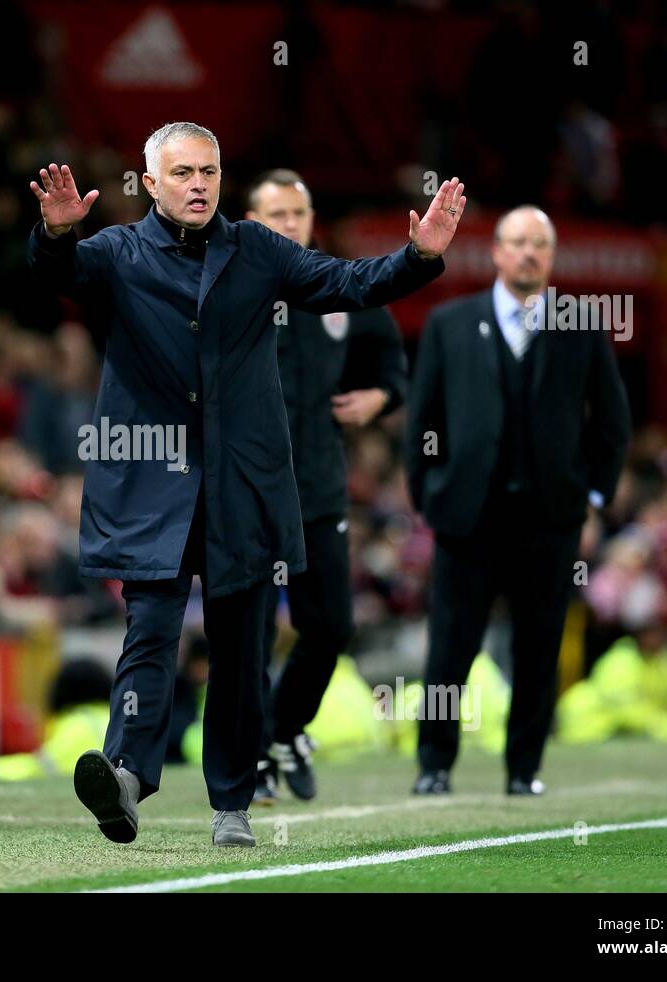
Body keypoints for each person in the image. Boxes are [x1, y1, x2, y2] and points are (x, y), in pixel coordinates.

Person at [27, 121, 464, 845]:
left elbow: (346, 283)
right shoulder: (115, 253)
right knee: (152, 630)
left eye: (209, 171)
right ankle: (127, 774)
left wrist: (418, 257)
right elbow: (54, 280)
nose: (198, 184)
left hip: (243, 484)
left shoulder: (257, 249)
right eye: (183, 173)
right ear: (151, 183)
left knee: (239, 645)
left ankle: (231, 803)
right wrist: (54, 234)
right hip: (151, 480)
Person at [404, 205, 630, 796]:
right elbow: (421, 420)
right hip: (466, 517)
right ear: (497, 252)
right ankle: (434, 764)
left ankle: (523, 769)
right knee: (451, 647)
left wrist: (594, 494)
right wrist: (426, 496)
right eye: (517, 243)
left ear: (551, 256)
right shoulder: (450, 323)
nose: (528, 253)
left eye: (540, 244)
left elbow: (612, 420)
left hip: (549, 518)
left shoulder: (583, 323)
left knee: (540, 646)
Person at [245, 168, 410, 803]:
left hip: (317, 486)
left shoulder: (336, 288)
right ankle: (254, 753)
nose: (291, 224)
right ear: (253, 222)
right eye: (277, 214)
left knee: (333, 624)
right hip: (250, 491)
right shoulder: (237, 289)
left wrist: (381, 395)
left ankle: (286, 729)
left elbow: (392, 361)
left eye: (299, 213)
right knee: (252, 633)